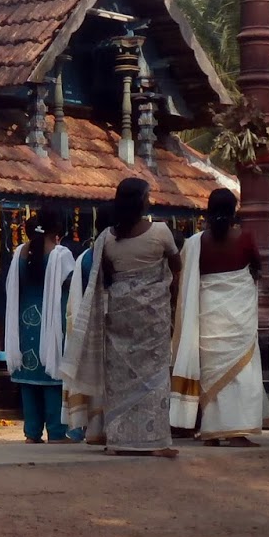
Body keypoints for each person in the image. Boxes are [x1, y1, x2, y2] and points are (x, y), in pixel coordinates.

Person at [61, 178, 182, 458]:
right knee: (155, 378)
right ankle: (155, 442)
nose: (150, 200)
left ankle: (118, 440)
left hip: (119, 316)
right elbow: (177, 265)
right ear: (140, 202)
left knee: (120, 378)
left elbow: (107, 274)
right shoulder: (161, 232)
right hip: (153, 319)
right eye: (148, 196)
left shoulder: (106, 238)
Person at [169, 189, 264, 446]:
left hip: (208, 316)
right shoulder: (245, 238)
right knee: (242, 374)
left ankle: (212, 431)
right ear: (234, 211)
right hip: (238, 318)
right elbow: (257, 269)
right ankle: (237, 432)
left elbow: (182, 280)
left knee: (210, 373)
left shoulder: (195, 244)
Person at [4, 210, 78, 443]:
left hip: (24, 323)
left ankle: (32, 433)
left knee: (29, 378)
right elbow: (73, 285)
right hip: (52, 323)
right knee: (53, 375)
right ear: (56, 231)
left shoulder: (19, 252)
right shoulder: (60, 254)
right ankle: (56, 432)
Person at [63, 205, 111, 443]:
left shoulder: (85, 256)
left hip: (88, 326)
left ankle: (93, 429)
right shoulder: (115, 252)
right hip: (114, 322)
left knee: (93, 375)